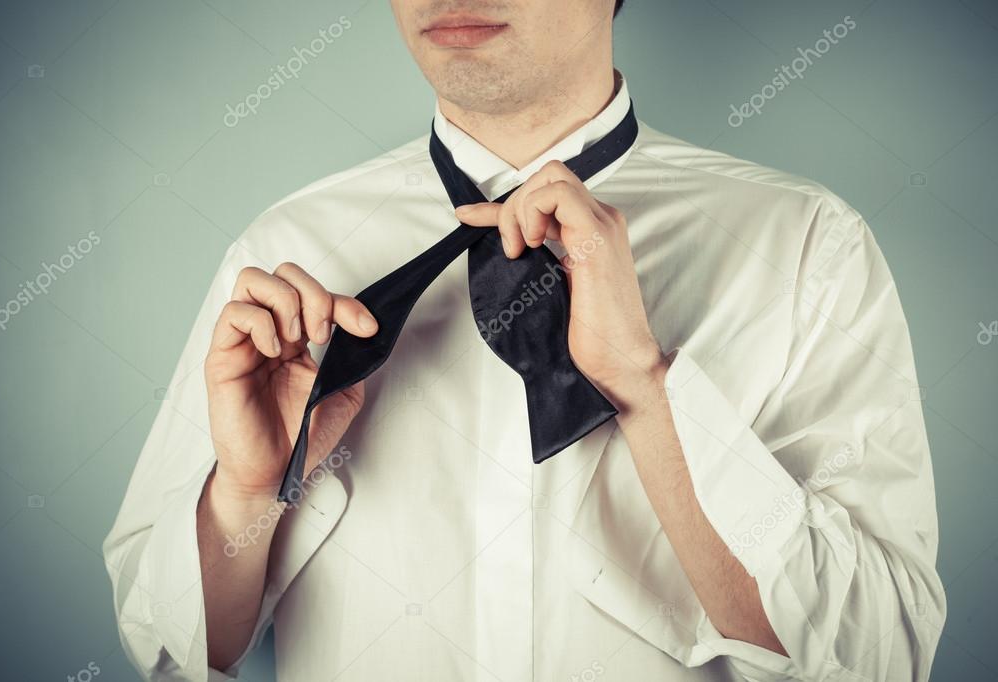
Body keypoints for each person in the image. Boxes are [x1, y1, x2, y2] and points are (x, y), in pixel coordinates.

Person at [104, 1, 946, 680]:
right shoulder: (286, 250)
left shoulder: (803, 244)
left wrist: (648, 390)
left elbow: (878, 658)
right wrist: (248, 495)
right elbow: (173, 651)